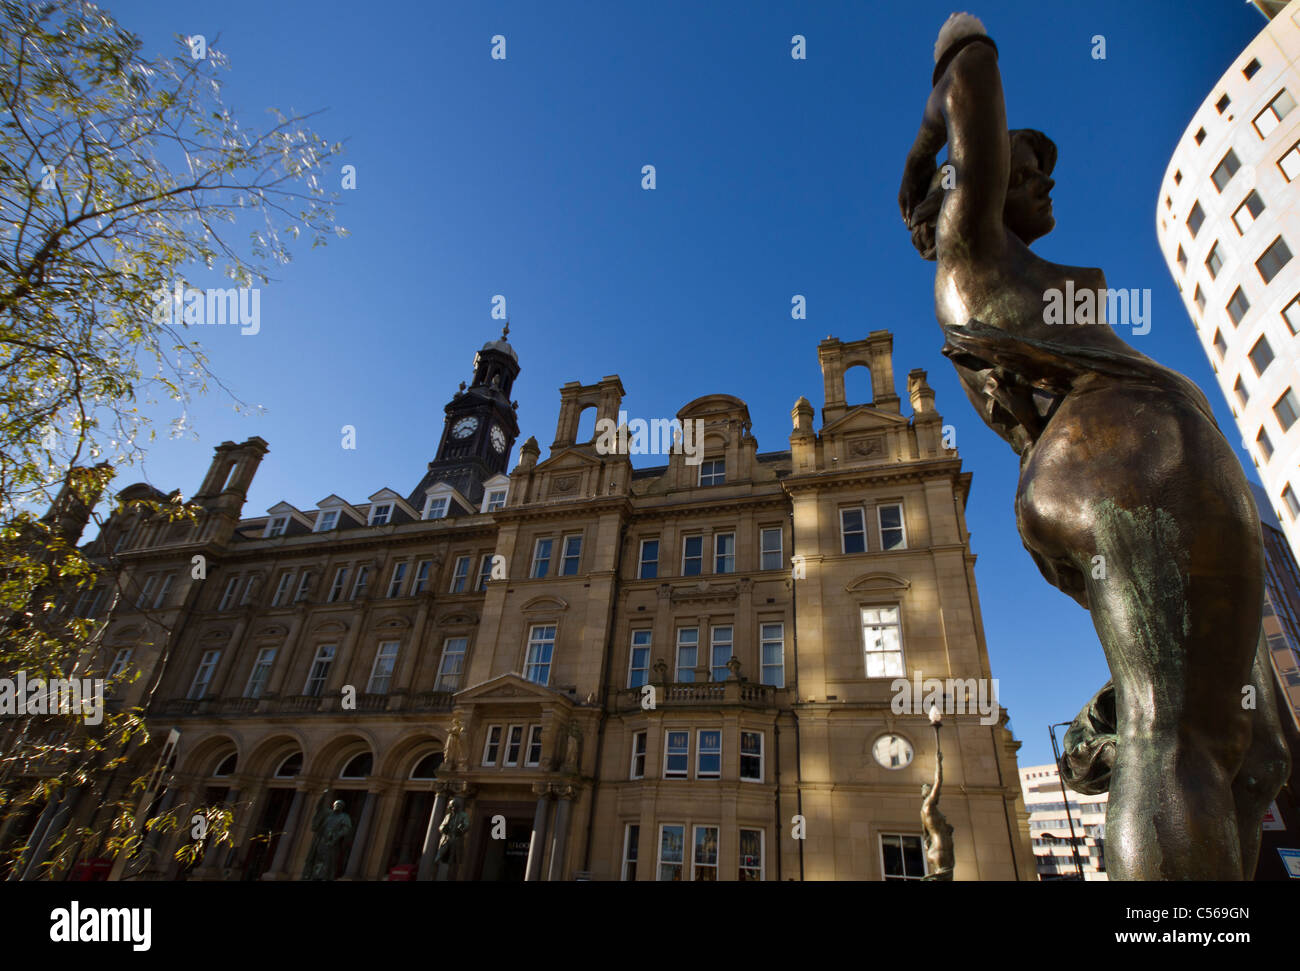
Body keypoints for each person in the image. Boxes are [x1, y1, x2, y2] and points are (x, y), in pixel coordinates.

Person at [898, 12, 1289, 879]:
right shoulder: (972, 257)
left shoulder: (1007, 271)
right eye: (1027, 169)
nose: (1044, 185)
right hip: (1124, 465)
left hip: (1155, 458)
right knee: (1177, 726)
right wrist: (919, 160)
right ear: (973, 184)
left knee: (1257, 749)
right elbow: (970, 62)